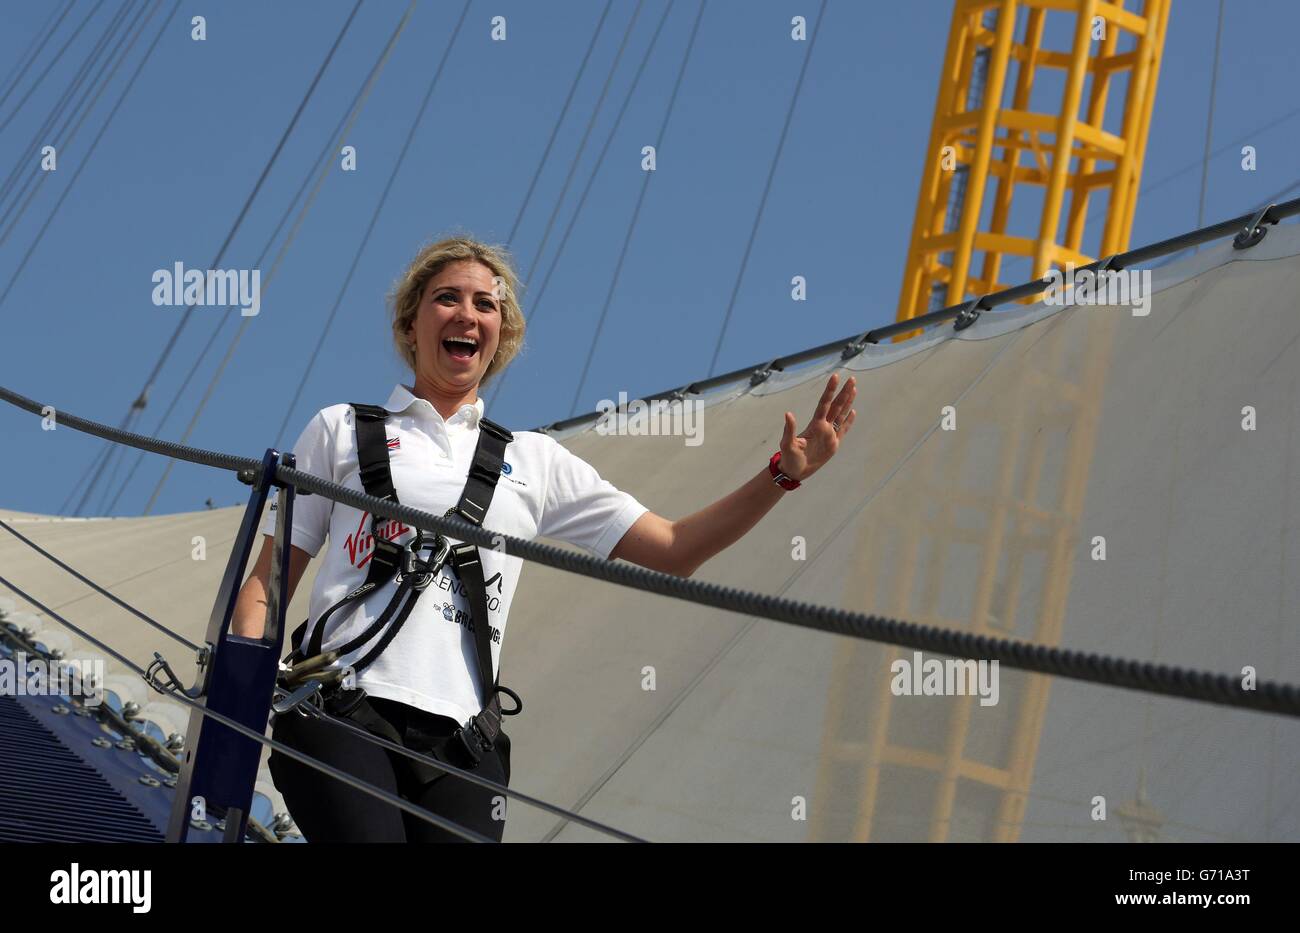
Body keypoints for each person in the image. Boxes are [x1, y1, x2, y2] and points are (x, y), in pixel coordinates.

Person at [230, 236, 857, 842]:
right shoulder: (341, 430)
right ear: (410, 322)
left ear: (502, 335)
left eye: (486, 304)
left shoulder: (535, 461)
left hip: (462, 742)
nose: (468, 314)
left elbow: (673, 549)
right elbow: (270, 579)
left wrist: (781, 477)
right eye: (448, 298)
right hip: (339, 708)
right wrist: (239, 693)